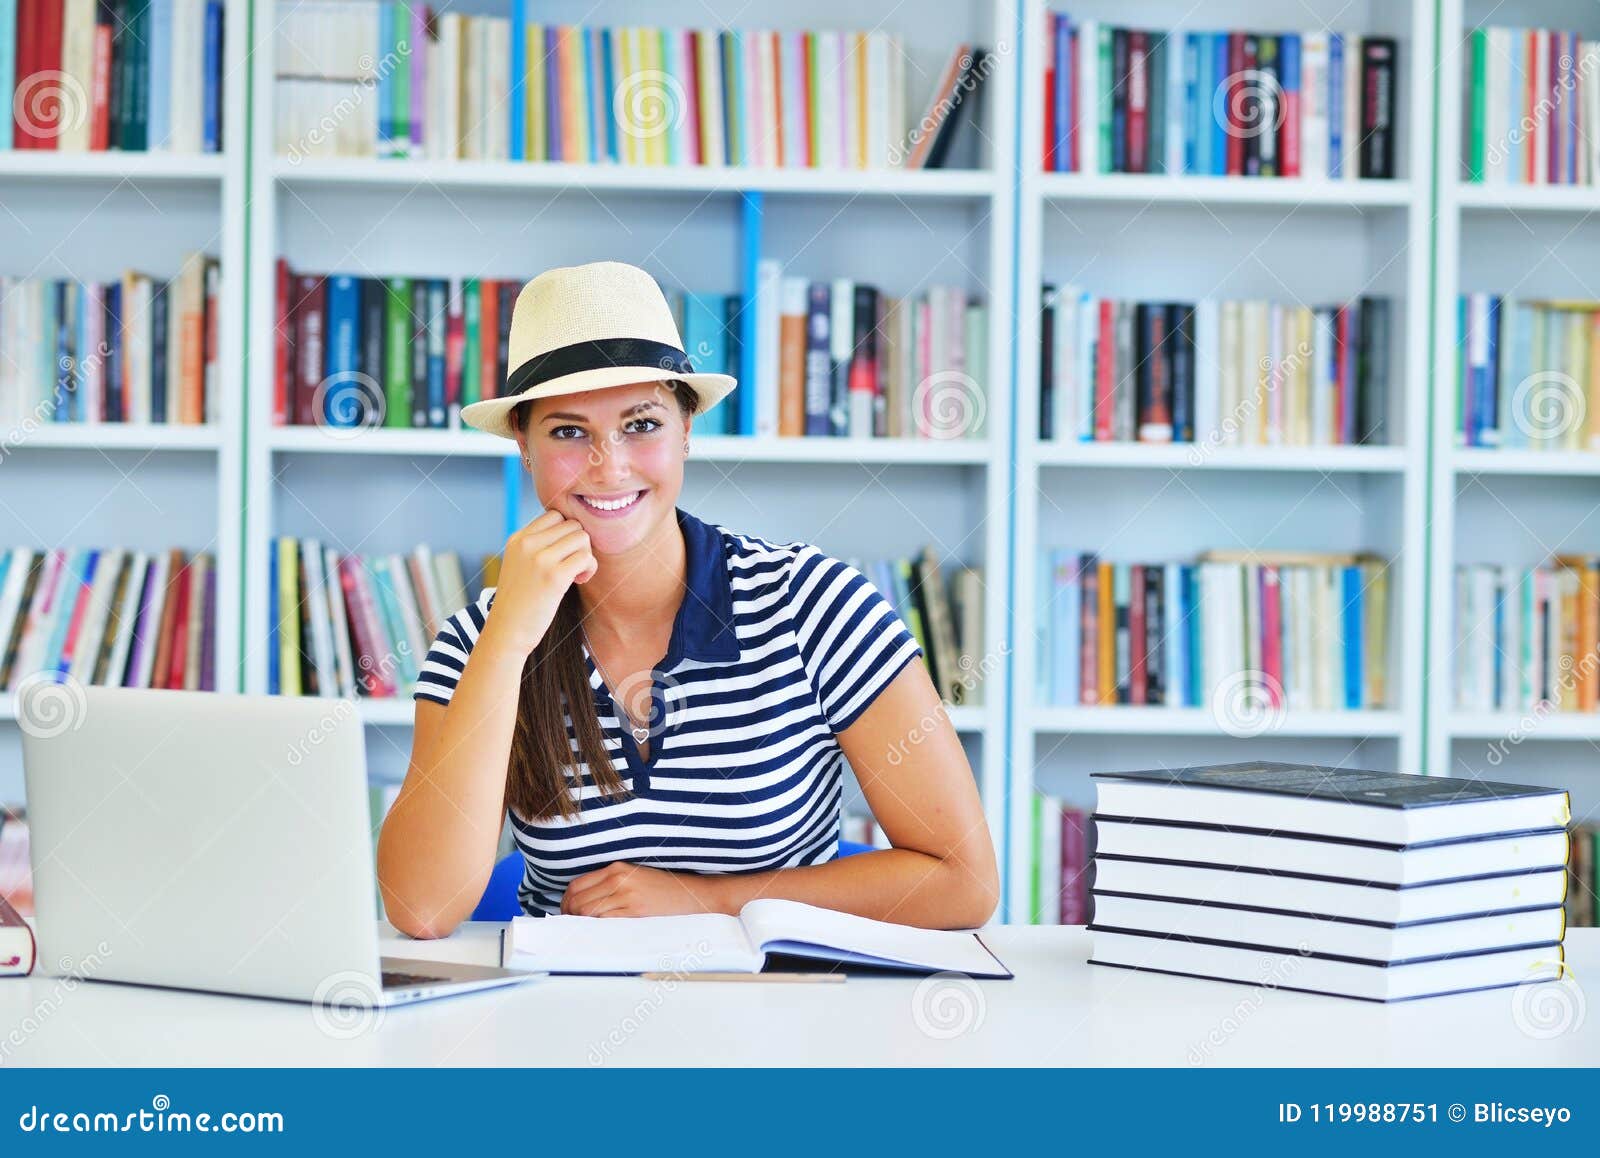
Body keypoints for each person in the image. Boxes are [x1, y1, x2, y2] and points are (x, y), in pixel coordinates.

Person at [376, 261, 997, 938]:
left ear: (686, 432)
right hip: (561, 1022)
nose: (609, 465)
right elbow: (422, 908)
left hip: (776, 1018)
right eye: (567, 431)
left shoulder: (814, 606)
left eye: (641, 424)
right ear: (523, 446)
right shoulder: (479, 640)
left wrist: (709, 900)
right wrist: (506, 642)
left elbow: (962, 881)